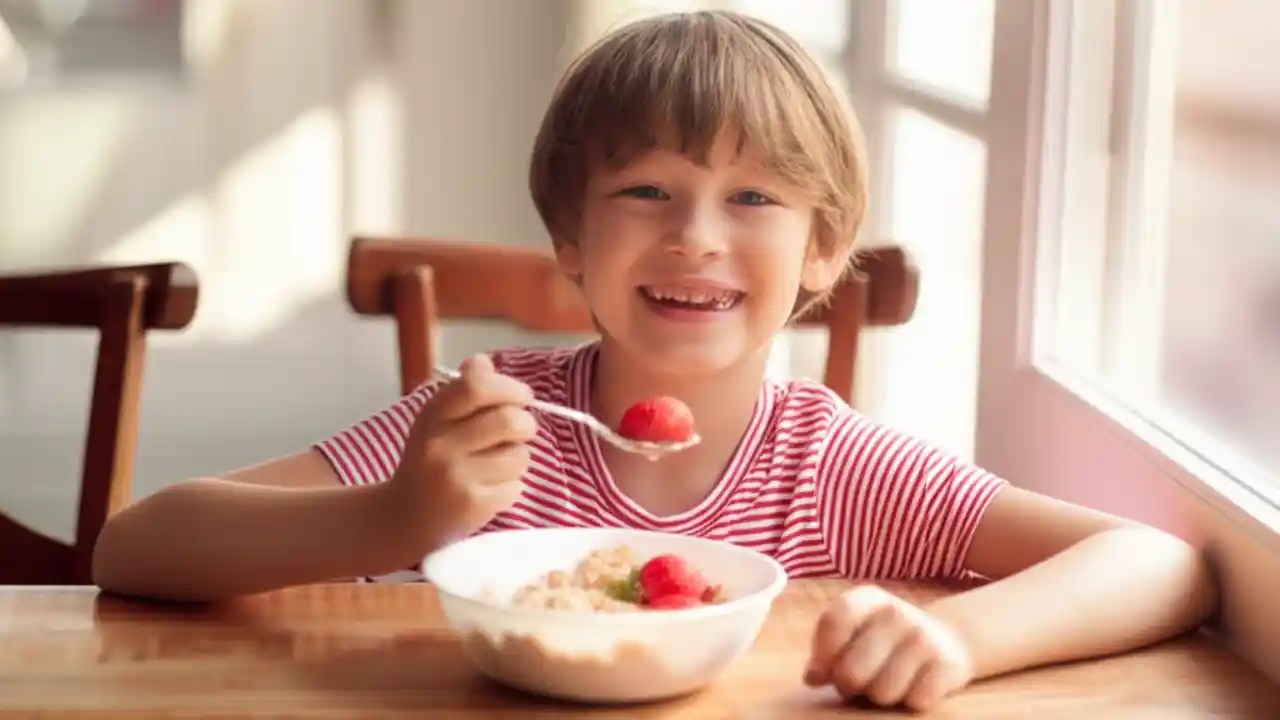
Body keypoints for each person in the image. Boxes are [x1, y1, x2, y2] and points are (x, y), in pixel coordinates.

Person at [93, 10, 1216, 712]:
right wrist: (392, 518)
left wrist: (956, 638)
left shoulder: (833, 467)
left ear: (823, 249)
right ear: (570, 240)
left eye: (753, 198)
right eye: (645, 190)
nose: (695, 238)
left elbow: (1156, 565)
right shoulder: (493, 430)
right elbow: (136, 546)